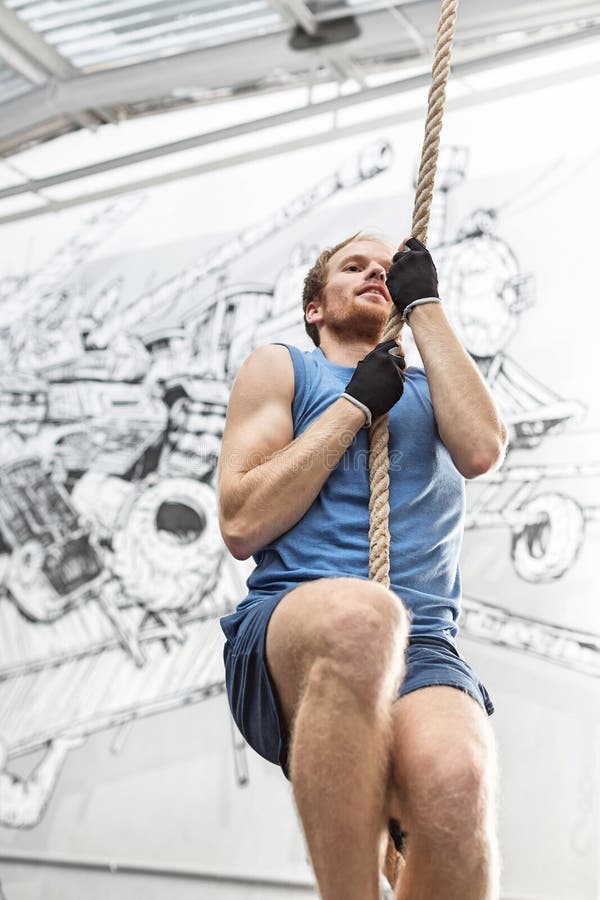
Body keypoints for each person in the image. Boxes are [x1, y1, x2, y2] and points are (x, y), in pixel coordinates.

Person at [218, 232, 508, 900]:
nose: (377, 272)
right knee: (365, 617)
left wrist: (426, 305)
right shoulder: (284, 368)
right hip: (294, 627)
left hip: (422, 644)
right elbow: (241, 523)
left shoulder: (436, 390)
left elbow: (481, 450)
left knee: (458, 781)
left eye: (388, 270)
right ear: (315, 307)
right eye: (355, 267)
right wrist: (352, 407)